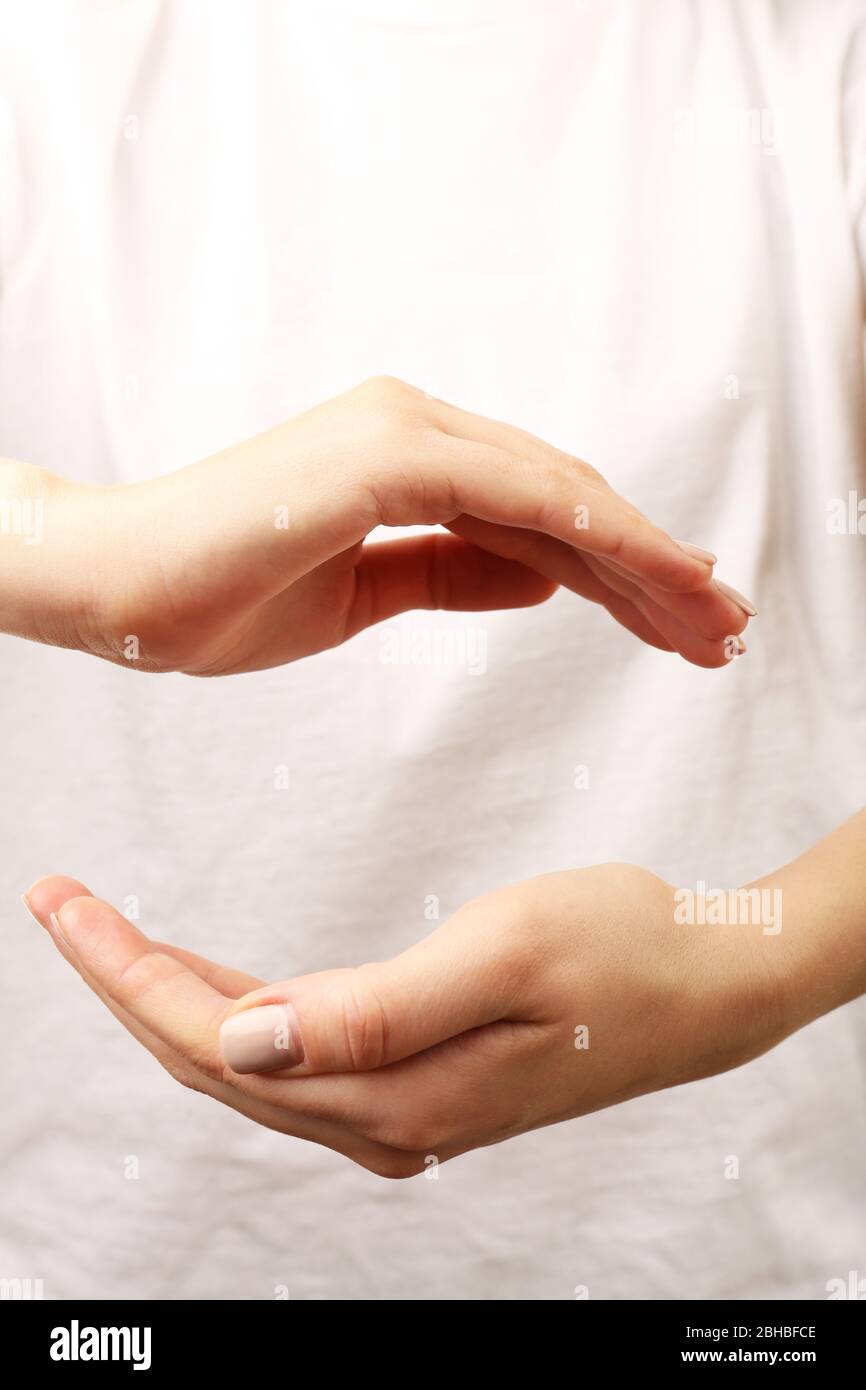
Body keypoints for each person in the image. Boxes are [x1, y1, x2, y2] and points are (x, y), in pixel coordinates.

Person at [2, 0, 864, 1300]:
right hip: (106, 1280)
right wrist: (69, 552)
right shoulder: (45, 53)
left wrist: (750, 952)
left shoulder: (814, 54)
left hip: (732, 1277)